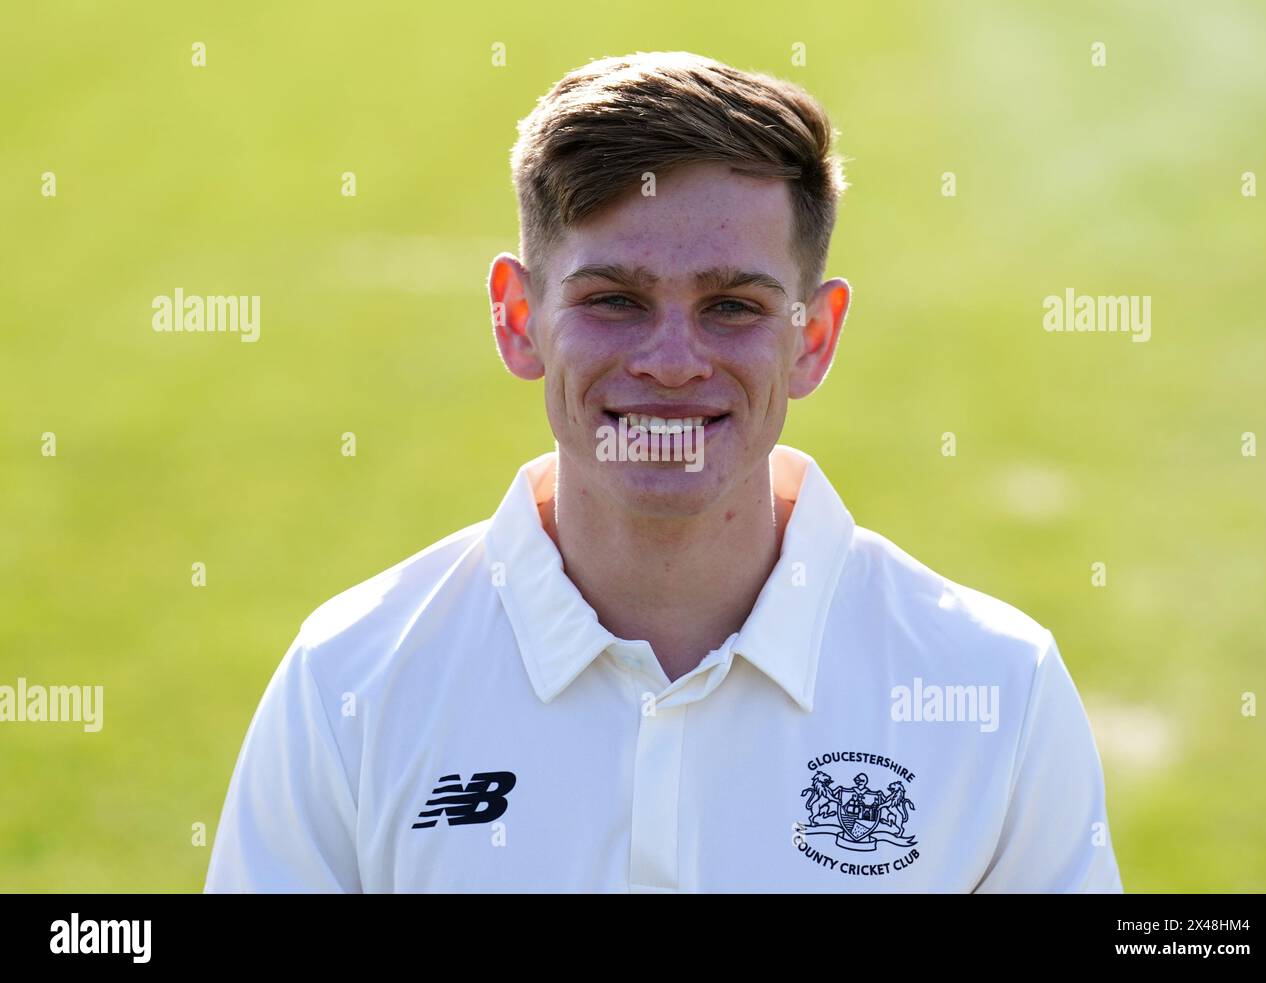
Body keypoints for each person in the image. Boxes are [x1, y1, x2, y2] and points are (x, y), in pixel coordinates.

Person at [205, 50, 1122, 893]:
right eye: (614, 300)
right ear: (519, 318)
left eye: (731, 306)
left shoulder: (998, 687)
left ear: (815, 336)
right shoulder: (350, 679)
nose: (673, 359)